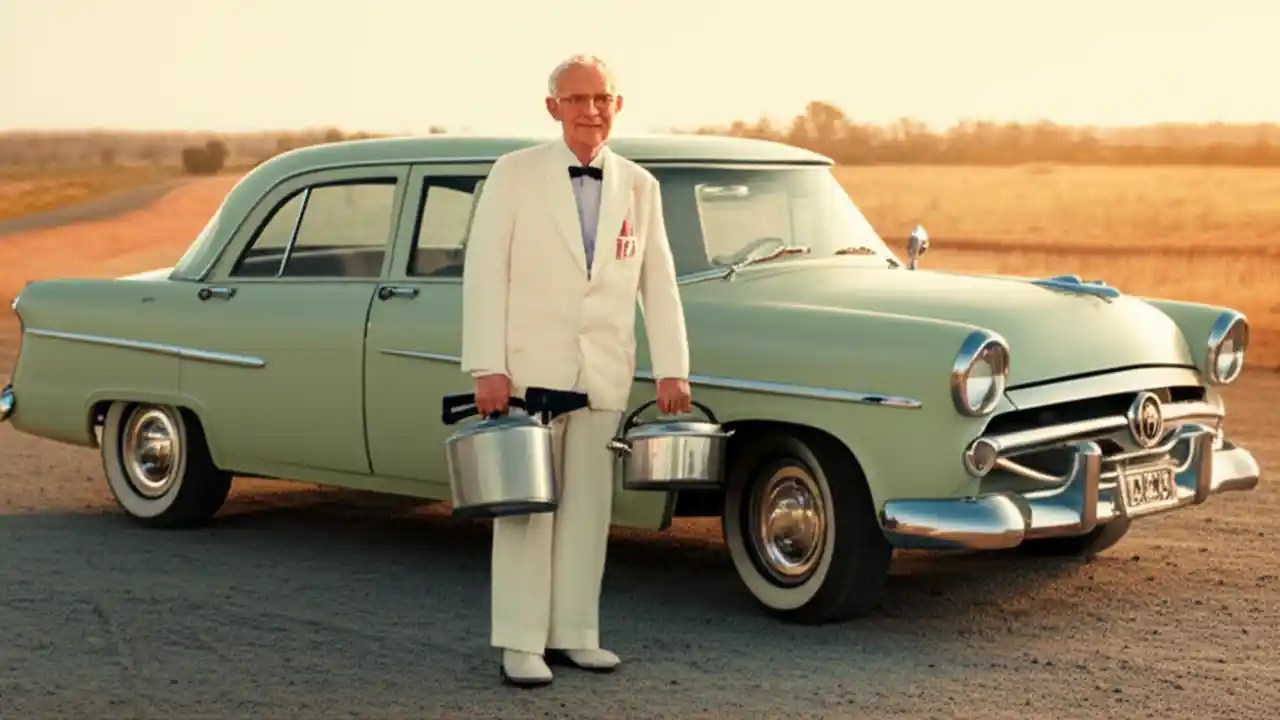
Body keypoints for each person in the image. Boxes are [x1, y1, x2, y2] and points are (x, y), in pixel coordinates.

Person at [460, 54, 692, 687]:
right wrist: (488, 366)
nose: (592, 110)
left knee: (589, 510)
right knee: (527, 510)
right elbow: (485, 274)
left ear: (618, 106)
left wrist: (672, 369)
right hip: (527, 372)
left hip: (603, 373)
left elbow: (658, 283)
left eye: (603, 99)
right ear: (552, 107)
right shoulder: (513, 175)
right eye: (578, 99)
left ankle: (575, 635)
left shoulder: (640, 187)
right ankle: (520, 642)